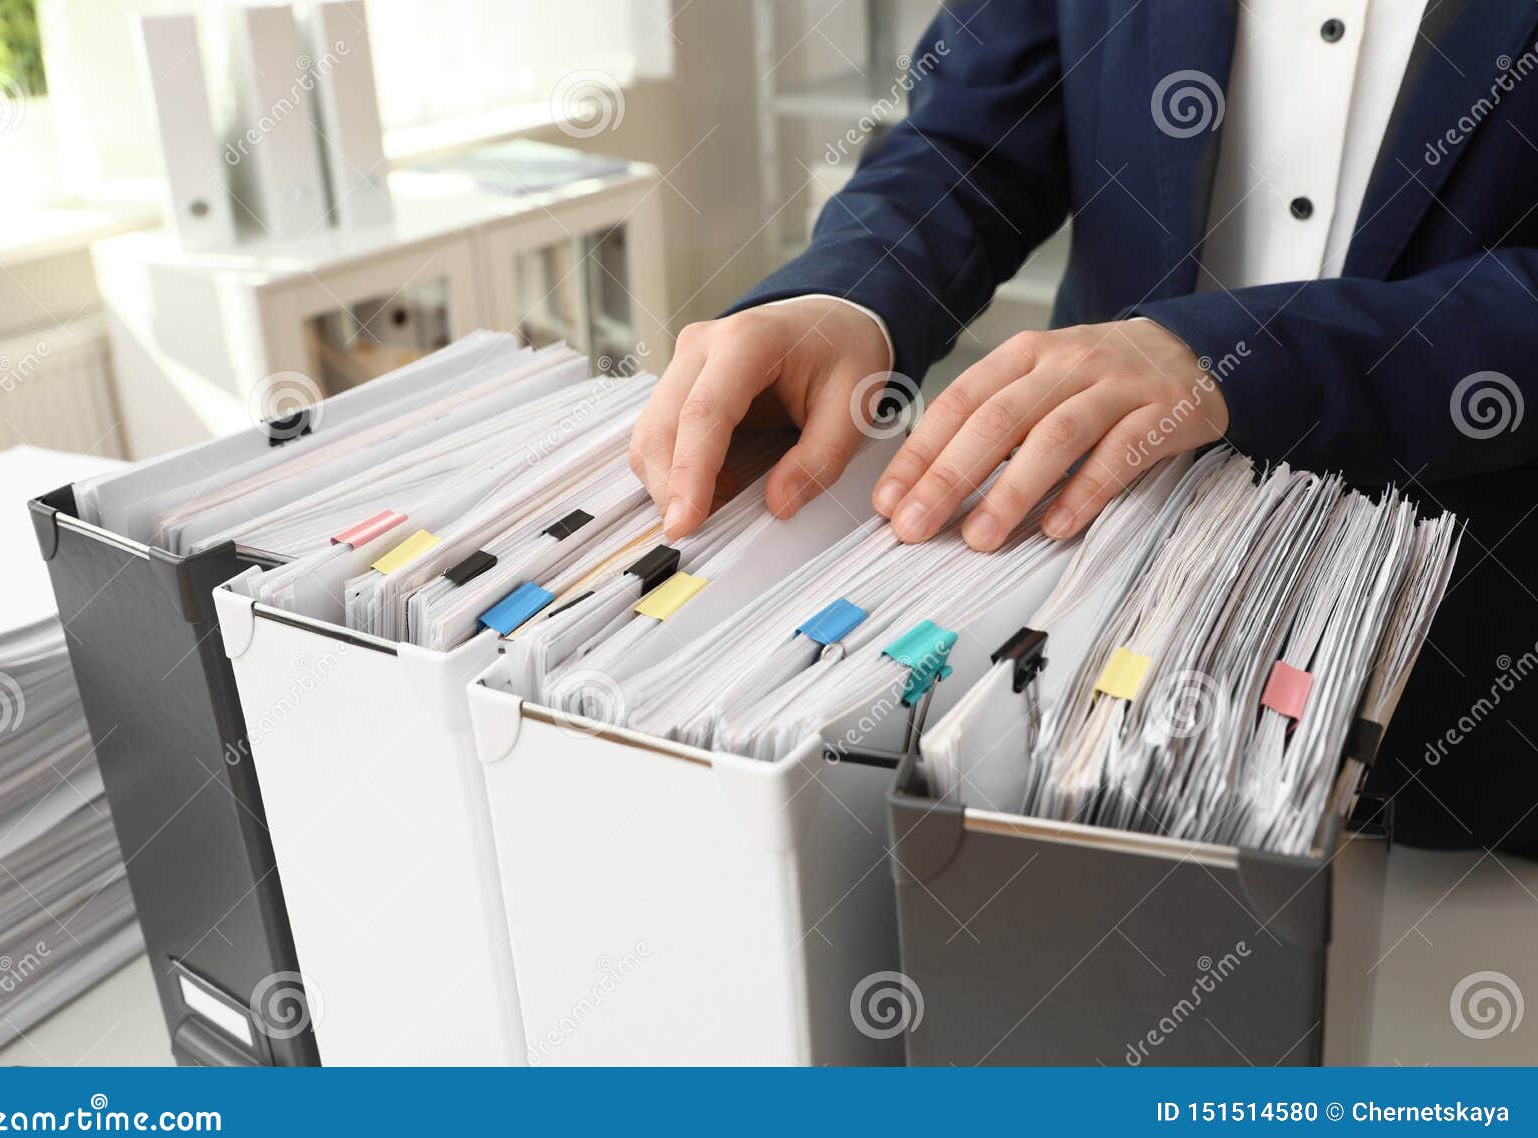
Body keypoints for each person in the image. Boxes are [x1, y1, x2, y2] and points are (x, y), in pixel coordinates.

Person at [629, 0, 1538, 854]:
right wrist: (842, 298)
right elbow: (967, 142)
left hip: (1469, 674)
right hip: (1075, 613)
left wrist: (1237, 353)